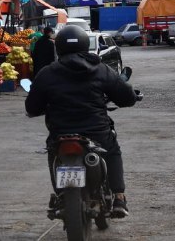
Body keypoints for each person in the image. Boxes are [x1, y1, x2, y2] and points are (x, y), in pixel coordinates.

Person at [25, 25, 137, 218]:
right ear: (85, 45)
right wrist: (132, 97)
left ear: (58, 47)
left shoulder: (47, 73)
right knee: (112, 150)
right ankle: (119, 197)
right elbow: (125, 96)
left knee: (54, 154)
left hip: (61, 133)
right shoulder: (100, 69)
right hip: (97, 132)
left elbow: (32, 107)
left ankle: (61, 196)